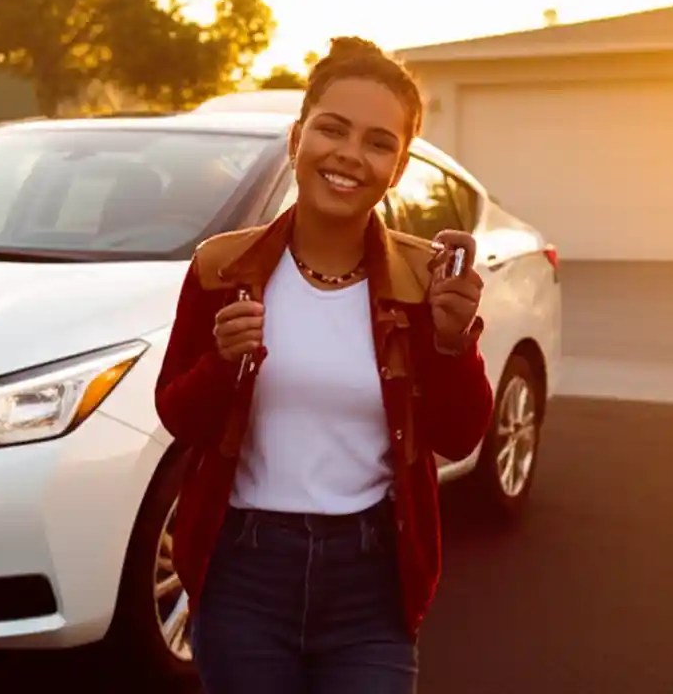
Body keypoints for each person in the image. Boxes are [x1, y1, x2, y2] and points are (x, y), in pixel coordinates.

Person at [154, 36, 496, 693]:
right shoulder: (223, 268)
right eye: (332, 129)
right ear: (297, 138)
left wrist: (454, 344)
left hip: (371, 582)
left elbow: (458, 437)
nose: (349, 155)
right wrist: (223, 362)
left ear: (397, 168)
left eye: (378, 142)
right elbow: (178, 415)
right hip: (244, 575)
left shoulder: (421, 280)